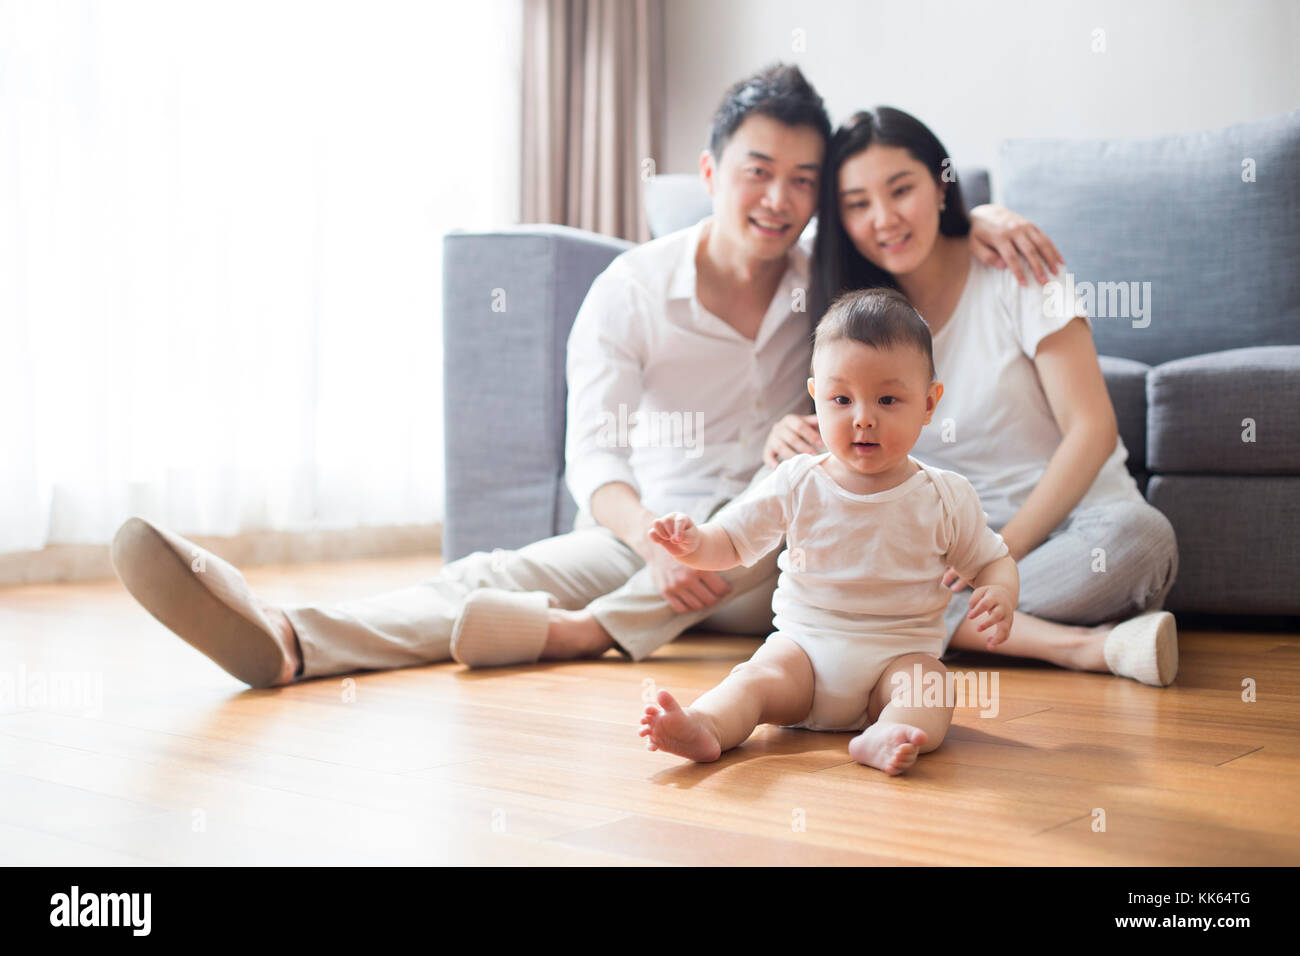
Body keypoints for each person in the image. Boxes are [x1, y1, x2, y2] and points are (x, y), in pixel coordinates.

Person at [109, 67, 1064, 688]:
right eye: (758, 171)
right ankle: (289, 637)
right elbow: (596, 454)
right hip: (648, 533)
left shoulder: (830, 279)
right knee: (496, 574)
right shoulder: (632, 289)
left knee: (790, 540)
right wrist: (653, 543)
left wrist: (973, 220)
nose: (781, 200)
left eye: (804, 181)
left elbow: (904, 252)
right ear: (709, 170)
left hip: (778, 547)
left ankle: (567, 635)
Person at [765, 106, 1179, 687]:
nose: (883, 218)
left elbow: (1093, 430)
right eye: (857, 204)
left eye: (901, 189)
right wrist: (787, 433)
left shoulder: (1017, 267)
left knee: (1143, 543)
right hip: (946, 552)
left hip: (1070, 528)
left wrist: (1000, 555)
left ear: (941, 185)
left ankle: (918, 627)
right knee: (836, 572)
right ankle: (1082, 646)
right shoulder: (856, 316)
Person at [638, 289, 1017, 774]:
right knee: (753, 679)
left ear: (928, 403)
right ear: (816, 397)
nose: (863, 417)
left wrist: (1000, 592)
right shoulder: (798, 481)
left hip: (897, 659)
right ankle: (706, 725)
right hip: (803, 654)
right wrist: (694, 544)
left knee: (932, 686)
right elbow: (732, 541)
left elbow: (991, 562)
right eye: (842, 399)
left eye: (887, 399)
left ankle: (885, 734)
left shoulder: (945, 496)